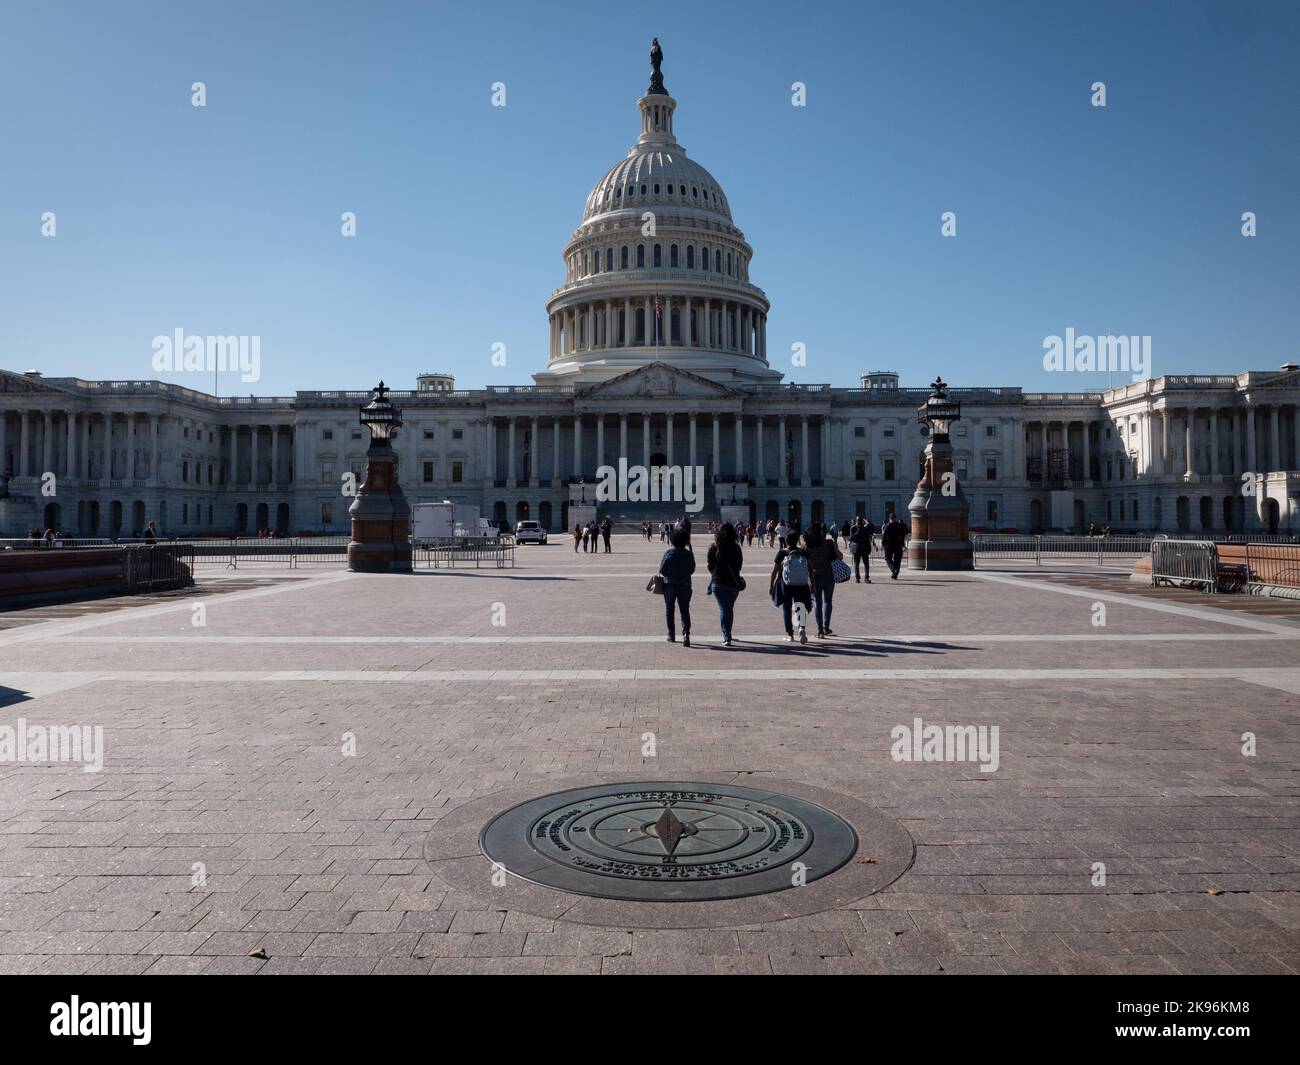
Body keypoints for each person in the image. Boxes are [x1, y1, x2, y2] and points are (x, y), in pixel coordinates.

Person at [706, 521, 745, 646]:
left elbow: (710, 567)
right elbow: (739, 566)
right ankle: (728, 633)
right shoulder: (736, 548)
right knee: (728, 609)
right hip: (733, 584)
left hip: (718, 583)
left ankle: (727, 636)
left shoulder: (713, 548)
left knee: (725, 609)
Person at [769, 530, 812, 644]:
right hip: (801, 584)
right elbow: (810, 570)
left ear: (786, 541)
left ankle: (790, 634)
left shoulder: (782, 553)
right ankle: (801, 628)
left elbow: (775, 570)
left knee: (787, 609)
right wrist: (813, 584)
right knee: (800, 607)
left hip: (786, 584)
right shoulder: (803, 552)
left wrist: (771, 585)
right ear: (797, 540)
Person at [803, 522, 842, 638]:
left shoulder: (807, 546)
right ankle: (826, 627)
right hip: (829, 576)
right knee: (828, 602)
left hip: (814, 577)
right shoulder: (829, 543)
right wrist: (835, 549)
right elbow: (840, 557)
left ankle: (819, 630)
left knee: (817, 603)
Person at [657, 528, 695, 645]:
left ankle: (671, 634)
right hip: (685, 585)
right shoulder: (688, 554)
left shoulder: (669, 553)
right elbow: (692, 570)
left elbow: (662, 570)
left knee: (669, 609)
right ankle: (686, 633)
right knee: (684, 610)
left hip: (670, 585)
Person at [849, 516, 874, 583]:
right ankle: (857, 578)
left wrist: (869, 548)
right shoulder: (853, 528)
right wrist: (858, 532)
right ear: (856, 521)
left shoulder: (865, 528)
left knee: (866, 564)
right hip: (856, 549)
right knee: (856, 564)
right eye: (858, 521)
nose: (860, 522)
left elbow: (867, 539)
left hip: (864, 548)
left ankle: (866, 578)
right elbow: (852, 538)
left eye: (861, 521)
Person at [881, 513, 907, 579]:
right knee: (897, 560)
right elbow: (902, 536)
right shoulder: (900, 525)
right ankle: (895, 573)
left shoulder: (887, 526)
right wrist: (903, 545)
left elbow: (884, 536)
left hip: (889, 545)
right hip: (898, 545)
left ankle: (894, 570)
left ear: (889, 519)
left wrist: (883, 544)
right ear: (895, 518)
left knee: (888, 559)